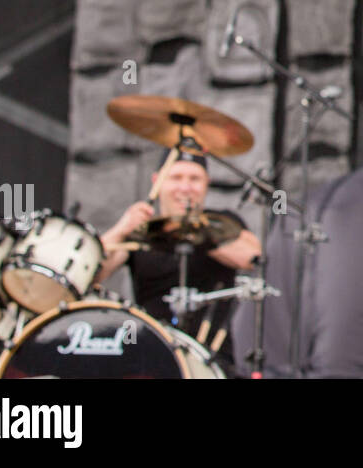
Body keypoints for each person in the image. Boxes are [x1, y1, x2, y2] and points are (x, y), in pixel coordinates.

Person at [97, 150, 260, 369]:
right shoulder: (143, 231)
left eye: (194, 179)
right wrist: (121, 229)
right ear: (157, 181)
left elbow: (252, 257)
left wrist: (195, 230)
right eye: (176, 178)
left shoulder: (222, 223)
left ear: (206, 183)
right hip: (149, 355)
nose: (185, 188)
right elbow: (92, 270)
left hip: (211, 359)